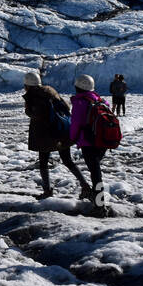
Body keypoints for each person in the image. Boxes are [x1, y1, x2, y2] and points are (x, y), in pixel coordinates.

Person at [23, 71, 91, 200]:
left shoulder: (34, 96)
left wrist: (28, 109)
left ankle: (47, 191)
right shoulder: (50, 91)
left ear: (28, 84)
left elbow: (37, 115)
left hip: (46, 134)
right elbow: (65, 107)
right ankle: (85, 186)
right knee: (67, 160)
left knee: (43, 162)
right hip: (62, 130)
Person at [69, 74, 110, 215]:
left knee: (96, 174)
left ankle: (100, 205)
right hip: (102, 141)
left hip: (89, 142)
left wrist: (73, 139)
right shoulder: (100, 100)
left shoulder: (80, 102)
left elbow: (75, 124)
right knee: (96, 171)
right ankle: (96, 199)